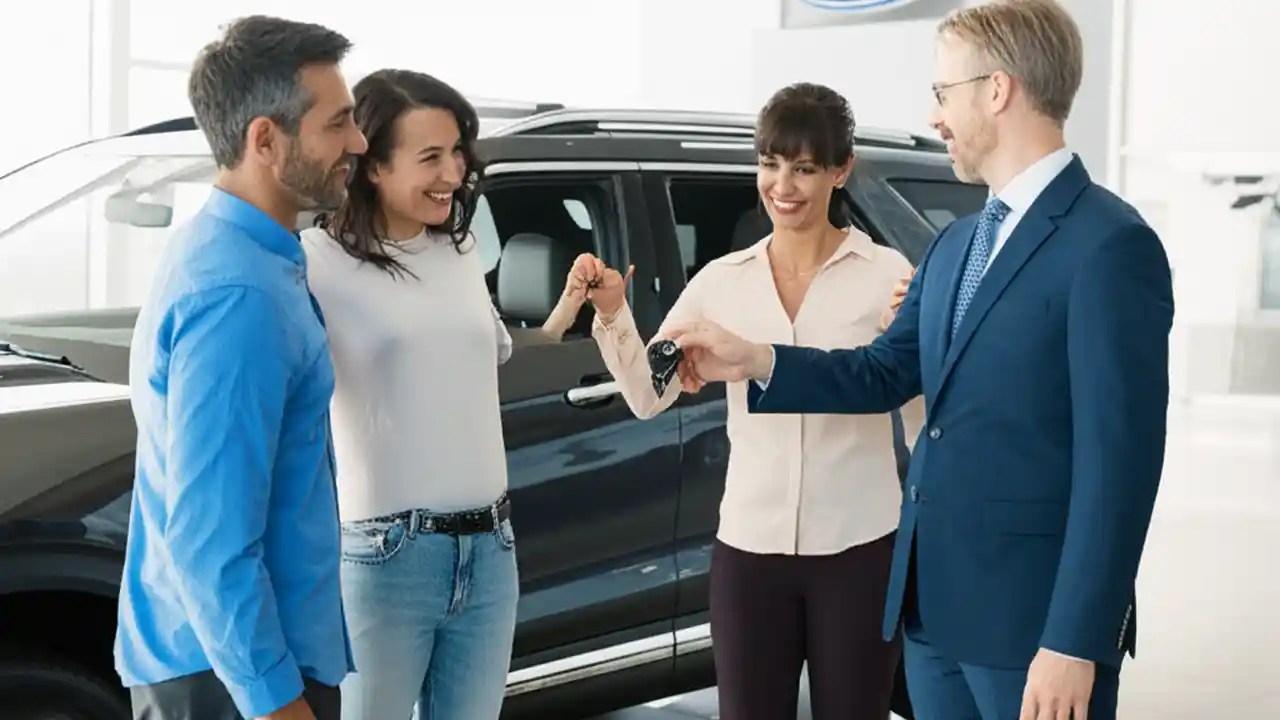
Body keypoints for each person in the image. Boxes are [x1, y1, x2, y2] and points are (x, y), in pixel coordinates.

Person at [665, 2, 1175, 719]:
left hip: (1031, 633)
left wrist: (1076, 640)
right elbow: (880, 374)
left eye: (943, 93)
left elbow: (1120, 466)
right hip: (931, 622)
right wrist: (755, 359)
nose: (936, 116)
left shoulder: (1110, 246)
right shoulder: (956, 245)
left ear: (995, 91)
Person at [567, 83, 924, 719]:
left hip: (860, 553)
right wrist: (615, 315)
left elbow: (922, 422)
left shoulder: (887, 276)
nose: (782, 185)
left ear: (841, 171)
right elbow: (652, 392)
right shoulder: (721, 282)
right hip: (750, 555)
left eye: (805, 168)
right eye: (770, 163)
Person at [115, 15, 368, 720]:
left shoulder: (246, 257)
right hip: (239, 681)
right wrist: (276, 703)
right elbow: (211, 543)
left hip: (236, 666)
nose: (359, 143)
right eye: (338, 123)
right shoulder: (238, 297)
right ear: (266, 139)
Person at [299, 69, 564, 720]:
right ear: (371, 165)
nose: (453, 172)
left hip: (492, 549)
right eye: (430, 157)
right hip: (387, 558)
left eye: (457, 152)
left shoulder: (460, 249)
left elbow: (485, 353)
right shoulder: (315, 261)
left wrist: (575, 316)